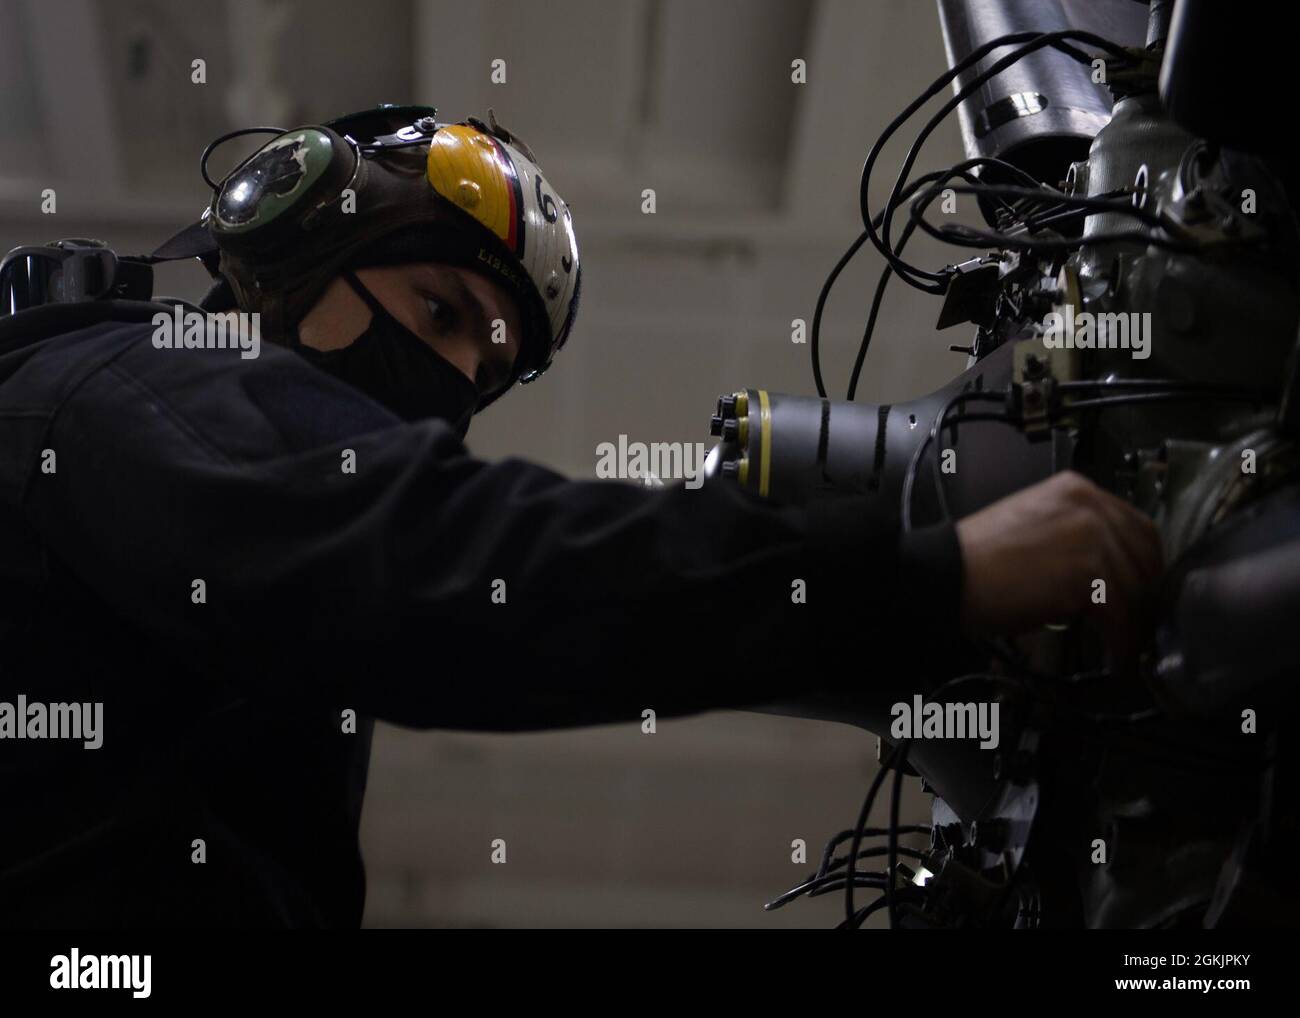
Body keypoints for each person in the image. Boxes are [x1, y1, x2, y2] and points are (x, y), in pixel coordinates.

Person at [0, 106, 1162, 927]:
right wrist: (926, 577)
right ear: (299, 239)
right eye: (441, 306)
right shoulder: (133, 378)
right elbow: (449, 564)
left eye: (489, 361)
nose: (454, 373)